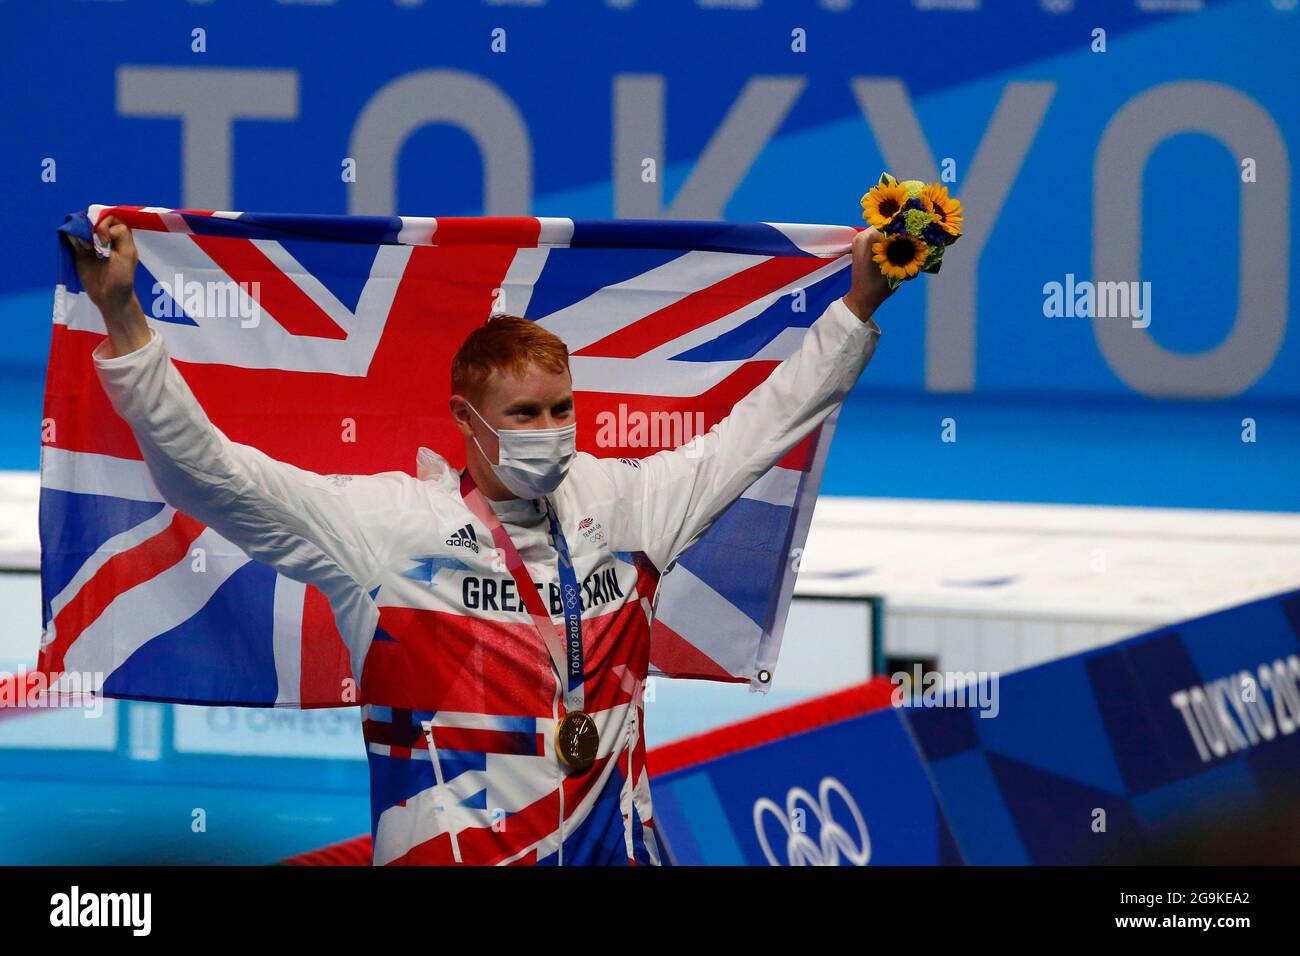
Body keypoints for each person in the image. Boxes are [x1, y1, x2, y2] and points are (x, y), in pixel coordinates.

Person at [72, 214, 893, 865]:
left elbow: (760, 428)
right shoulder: (387, 532)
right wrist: (121, 311)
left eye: (562, 409)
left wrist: (858, 305)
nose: (552, 431)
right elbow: (211, 474)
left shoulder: (629, 504)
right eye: (525, 415)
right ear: (466, 420)